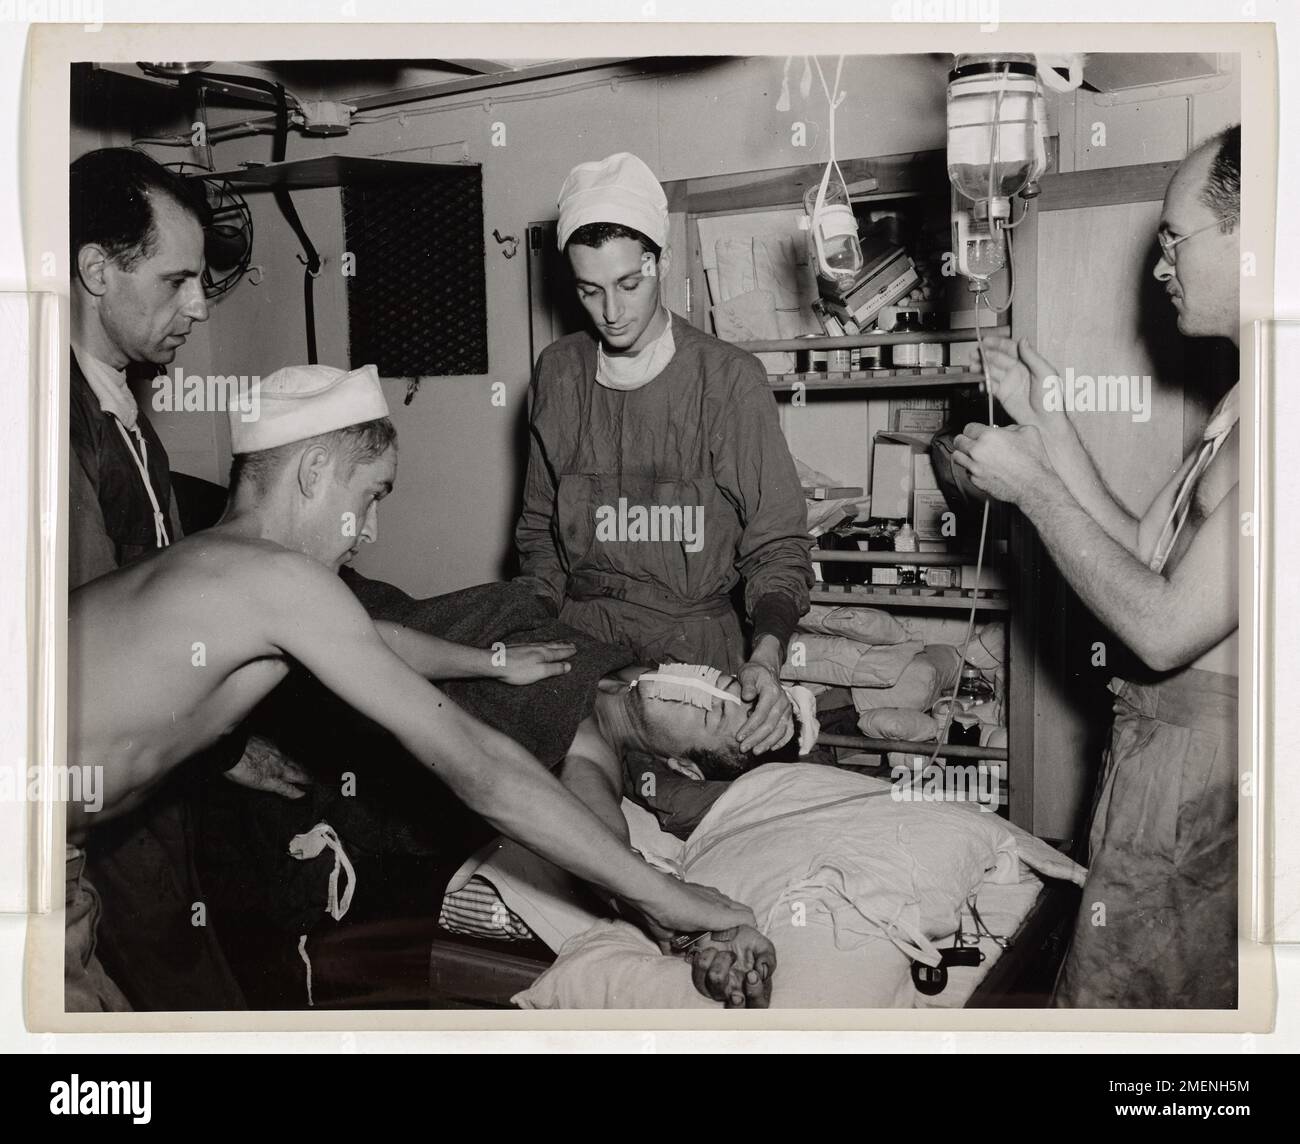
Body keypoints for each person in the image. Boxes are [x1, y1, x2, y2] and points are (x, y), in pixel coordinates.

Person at [65, 363, 770, 1011]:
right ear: (313, 471)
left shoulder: (213, 562)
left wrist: (488, 663)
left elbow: (380, 642)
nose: (369, 531)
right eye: (370, 496)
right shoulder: (280, 581)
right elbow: (481, 768)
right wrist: (672, 899)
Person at [951, 125, 1241, 1007]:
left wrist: (1035, 490)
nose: (1160, 265)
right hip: (1159, 760)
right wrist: (1051, 426)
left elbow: (1160, 629)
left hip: (1204, 774)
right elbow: (1139, 549)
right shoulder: (1245, 398)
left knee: (1156, 1011)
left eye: (1175, 237)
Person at [515, 152, 814, 781]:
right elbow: (539, 531)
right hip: (581, 643)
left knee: (694, 817)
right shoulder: (558, 374)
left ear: (663, 264)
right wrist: (527, 632)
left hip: (692, 649)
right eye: (589, 290)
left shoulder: (728, 380)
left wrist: (765, 653)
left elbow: (778, 544)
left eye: (630, 283)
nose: (612, 312)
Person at [68, 146, 254, 1010]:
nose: (195, 309)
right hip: (102, 789)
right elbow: (97, 641)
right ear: (96, 270)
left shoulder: (125, 408)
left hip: (157, 773)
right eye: (176, 281)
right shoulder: (48, 419)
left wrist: (226, 749)